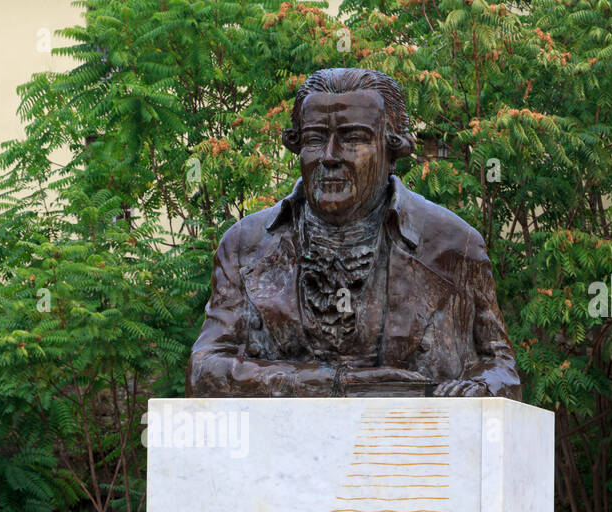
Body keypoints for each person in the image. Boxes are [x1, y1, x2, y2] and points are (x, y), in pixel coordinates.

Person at [187, 67, 522, 400]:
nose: (330, 157)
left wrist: (480, 390)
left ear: (393, 149)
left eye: (354, 139)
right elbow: (205, 371)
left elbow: (500, 368)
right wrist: (336, 383)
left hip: (410, 447)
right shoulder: (246, 244)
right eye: (315, 139)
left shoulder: (453, 244)